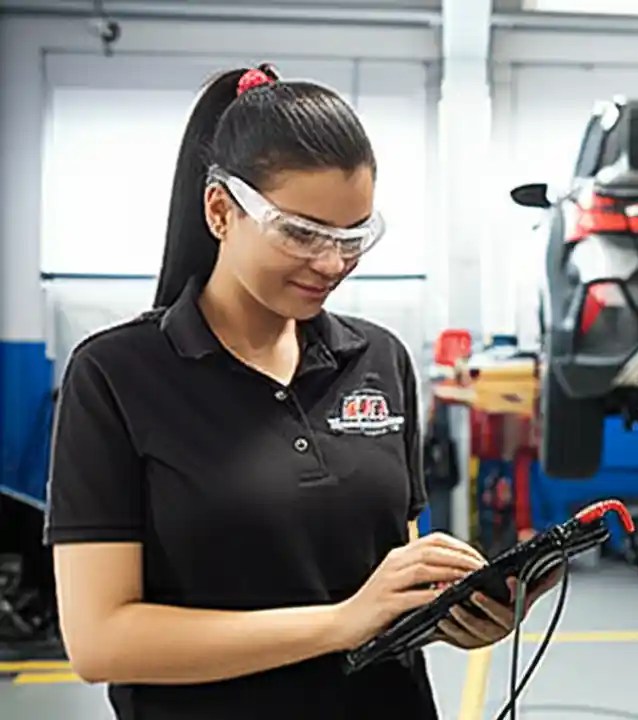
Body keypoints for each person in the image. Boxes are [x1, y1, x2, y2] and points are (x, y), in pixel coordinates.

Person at [42, 64, 545, 719]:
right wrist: (339, 623)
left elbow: (393, 584)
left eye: (353, 236)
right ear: (220, 210)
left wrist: (455, 611)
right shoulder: (116, 376)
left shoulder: (379, 361)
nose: (332, 263)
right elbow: (101, 641)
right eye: (302, 233)